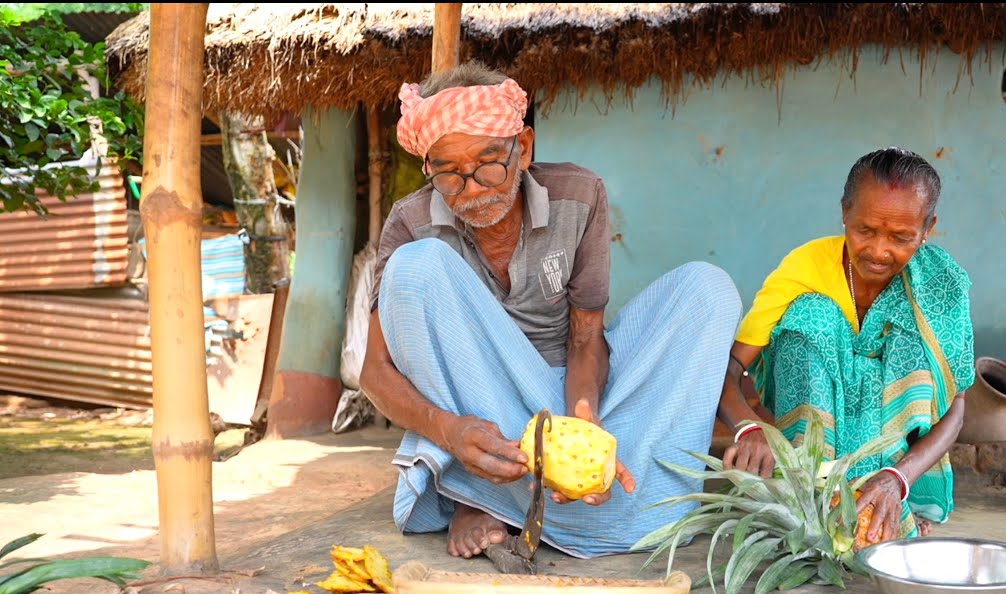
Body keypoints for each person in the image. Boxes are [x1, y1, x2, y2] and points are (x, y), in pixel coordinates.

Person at [360, 61, 741, 561]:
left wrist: (585, 429)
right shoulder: (410, 224)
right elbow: (374, 374)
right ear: (428, 169)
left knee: (707, 289)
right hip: (483, 414)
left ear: (525, 148)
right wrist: (449, 433)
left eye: (488, 162)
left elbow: (586, 340)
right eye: (449, 174)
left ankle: (530, 497)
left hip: (571, 389)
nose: (472, 188)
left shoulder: (578, 196)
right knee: (415, 267)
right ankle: (479, 491)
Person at [716, 147, 974, 545]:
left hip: (897, 473)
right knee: (810, 316)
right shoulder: (804, 268)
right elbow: (728, 371)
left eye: (902, 237)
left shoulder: (939, 285)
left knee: (912, 338)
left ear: (928, 228)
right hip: (812, 467)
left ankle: (887, 500)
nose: (878, 251)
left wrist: (898, 478)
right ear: (844, 212)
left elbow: (956, 407)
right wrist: (749, 427)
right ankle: (812, 494)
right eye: (865, 230)